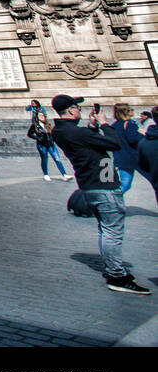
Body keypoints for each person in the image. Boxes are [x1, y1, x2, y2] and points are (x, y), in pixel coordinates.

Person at [51, 93, 150, 294]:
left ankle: (115, 269)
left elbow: (87, 144)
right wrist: (105, 125)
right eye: (77, 107)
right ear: (71, 110)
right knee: (112, 231)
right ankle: (117, 276)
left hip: (90, 184)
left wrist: (92, 128)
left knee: (106, 229)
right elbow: (114, 144)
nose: (79, 110)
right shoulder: (76, 132)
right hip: (103, 185)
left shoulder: (61, 131)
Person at [27, 101, 71, 181]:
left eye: (43, 115)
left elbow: (52, 133)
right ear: (37, 117)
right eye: (40, 115)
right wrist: (38, 138)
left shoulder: (48, 124)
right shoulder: (35, 126)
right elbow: (29, 134)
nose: (42, 117)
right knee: (44, 159)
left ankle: (64, 174)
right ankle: (46, 174)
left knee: (57, 159)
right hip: (42, 145)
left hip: (50, 144)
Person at [111, 104, 142, 194]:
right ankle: (112, 199)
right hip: (134, 157)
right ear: (125, 112)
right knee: (153, 178)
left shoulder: (114, 125)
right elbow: (133, 139)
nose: (132, 111)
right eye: (130, 109)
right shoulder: (129, 124)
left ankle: (112, 200)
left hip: (121, 158)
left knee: (125, 183)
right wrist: (142, 134)